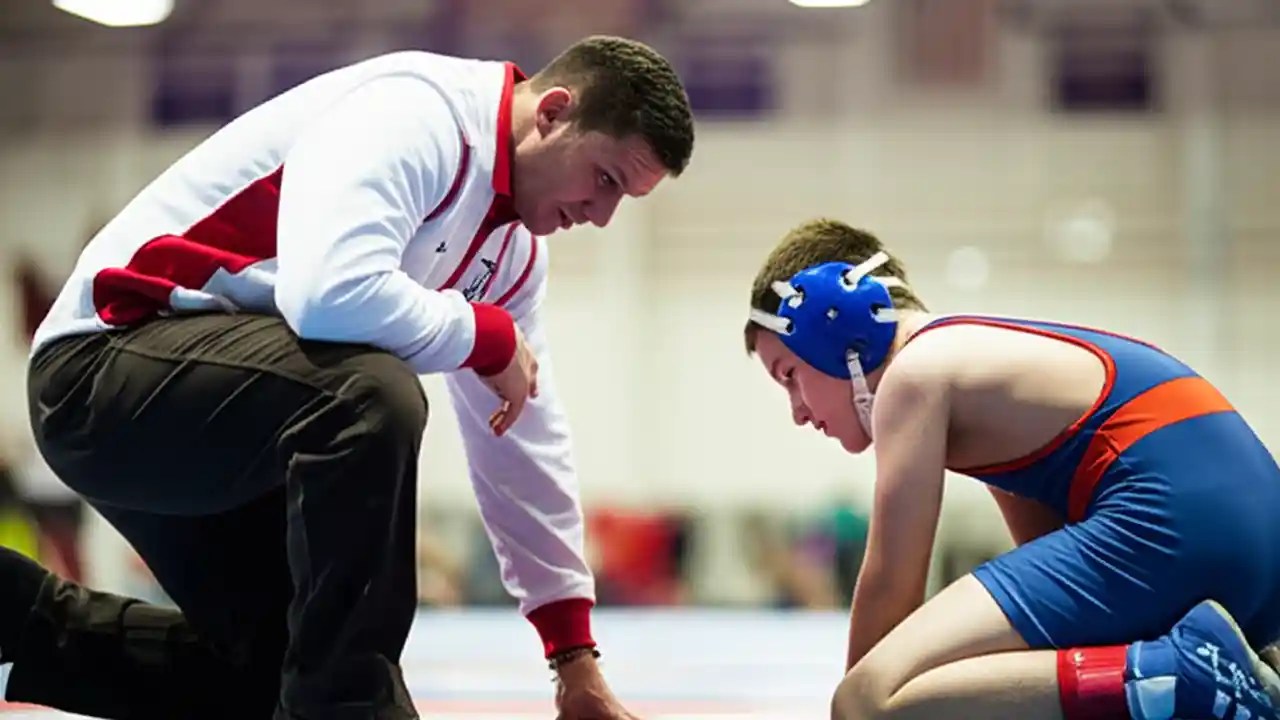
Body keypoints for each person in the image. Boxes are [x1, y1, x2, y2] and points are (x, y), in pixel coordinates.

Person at [5, 34, 694, 720]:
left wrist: (572, 659)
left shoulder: (512, 256)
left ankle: (18, 613)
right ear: (551, 113)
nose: (602, 217)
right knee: (370, 393)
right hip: (98, 373)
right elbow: (329, 295)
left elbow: (522, 440)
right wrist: (482, 334)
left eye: (622, 200)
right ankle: (346, 709)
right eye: (605, 179)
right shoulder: (415, 117)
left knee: (270, 669)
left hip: (211, 412)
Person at [742, 218, 1280, 720]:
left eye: (788, 374)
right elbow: (1056, 610)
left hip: (1176, 512)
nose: (797, 411)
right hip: (1245, 537)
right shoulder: (979, 371)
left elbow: (892, 585)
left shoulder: (915, 375)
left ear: (836, 327)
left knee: (869, 695)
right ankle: (1192, 679)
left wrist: (855, 710)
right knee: (1028, 677)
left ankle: (1174, 678)